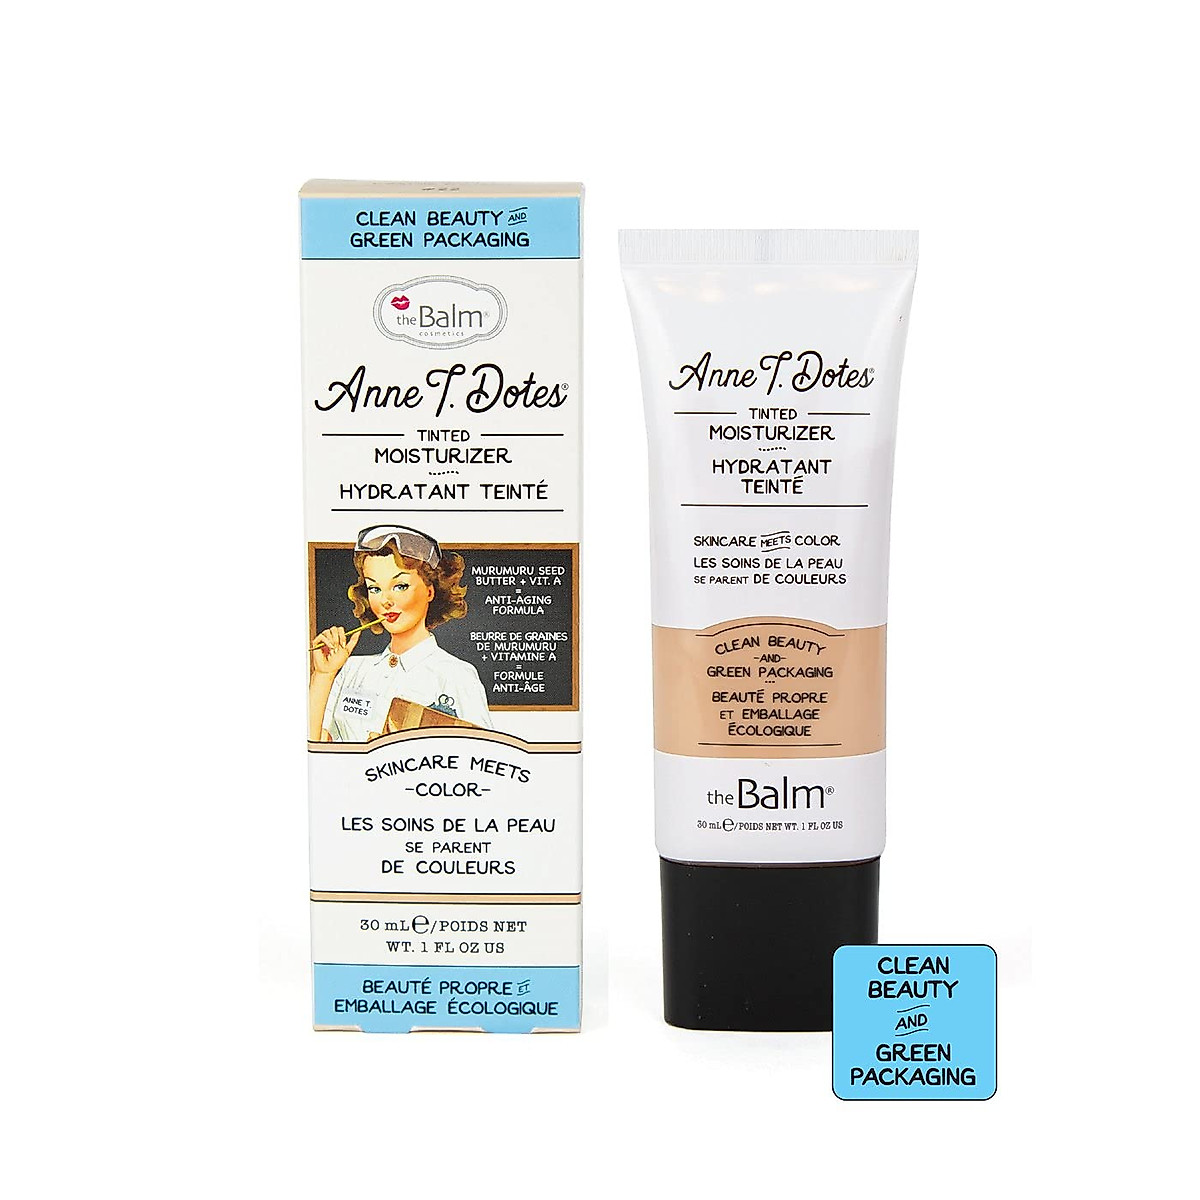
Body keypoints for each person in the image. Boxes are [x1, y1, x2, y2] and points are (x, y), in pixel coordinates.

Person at [308, 525, 492, 741]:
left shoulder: (457, 675)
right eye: (375, 589)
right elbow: (314, 745)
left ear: (430, 591)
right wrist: (323, 675)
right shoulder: (352, 670)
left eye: (400, 586)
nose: (385, 600)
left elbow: (484, 751)